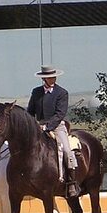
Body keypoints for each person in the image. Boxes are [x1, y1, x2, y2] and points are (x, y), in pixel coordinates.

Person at [27, 64, 80, 198]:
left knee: (67, 151)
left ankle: (71, 182)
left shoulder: (62, 93)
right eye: (50, 77)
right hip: (39, 126)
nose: (52, 79)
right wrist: (32, 125)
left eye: (54, 77)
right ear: (44, 79)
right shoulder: (36, 92)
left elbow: (60, 113)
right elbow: (30, 111)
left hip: (57, 126)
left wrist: (48, 126)